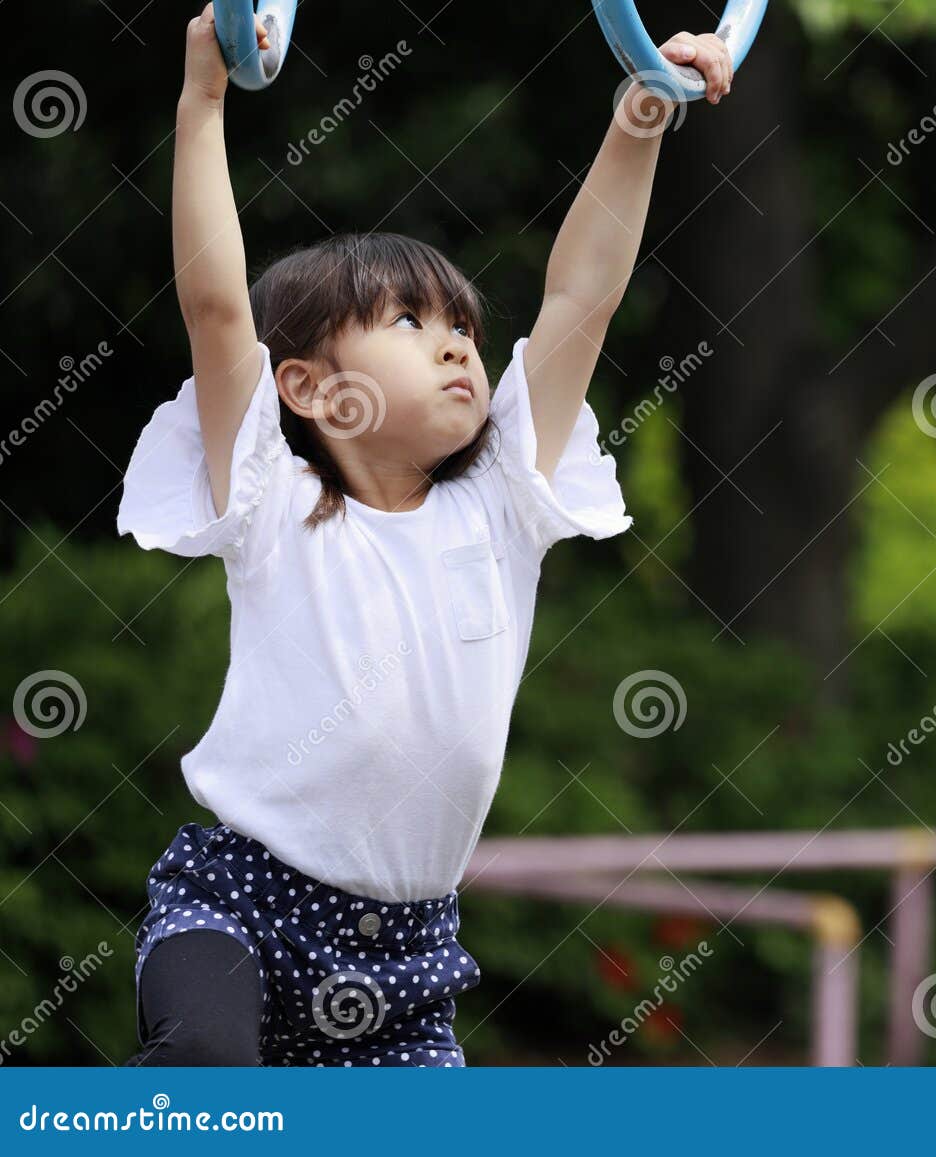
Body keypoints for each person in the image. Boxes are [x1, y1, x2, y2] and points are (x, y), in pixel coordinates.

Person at [117, 3, 734, 1067]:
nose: (456, 346)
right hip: (241, 912)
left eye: (463, 329)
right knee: (202, 1078)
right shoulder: (267, 497)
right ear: (305, 385)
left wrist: (642, 112)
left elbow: (582, 294)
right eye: (410, 322)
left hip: (404, 964)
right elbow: (220, 311)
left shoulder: (501, 501)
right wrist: (204, 96)